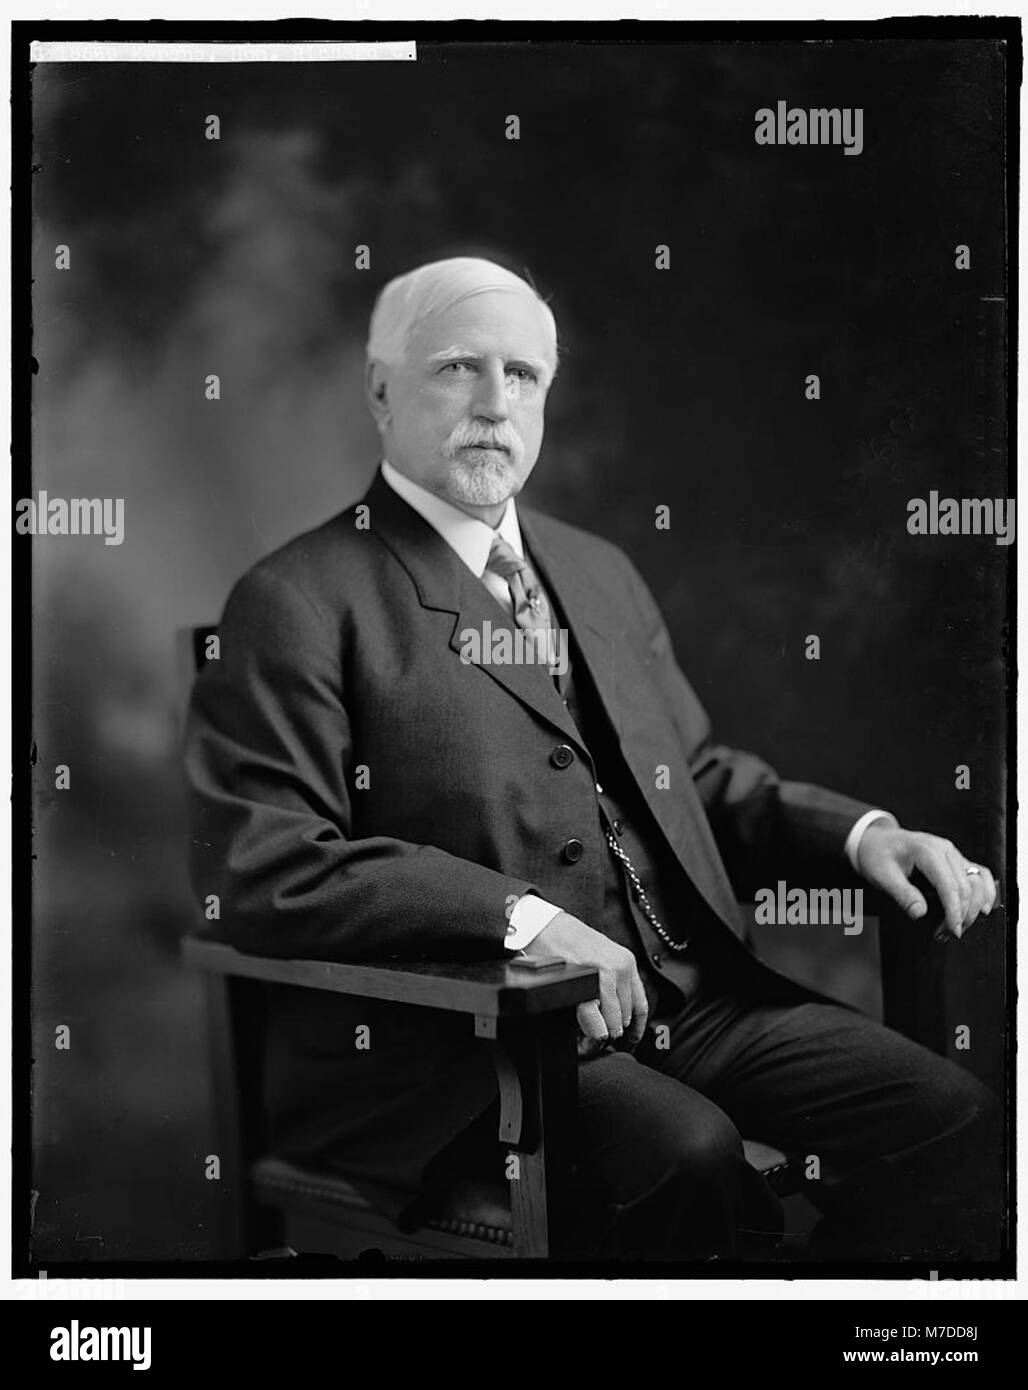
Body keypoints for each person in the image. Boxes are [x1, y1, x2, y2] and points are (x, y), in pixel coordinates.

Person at [184, 256, 1002, 1262]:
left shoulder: (593, 570)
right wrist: (518, 921)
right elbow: (265, 864)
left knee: (949, 1118)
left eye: (521, 375)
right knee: (687, 1158)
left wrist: (862, 835)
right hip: (474, 1047)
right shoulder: (296, 599)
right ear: (380, 389)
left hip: (690, 1002)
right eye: (455, 368)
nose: (493, 404)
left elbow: (689, 781)